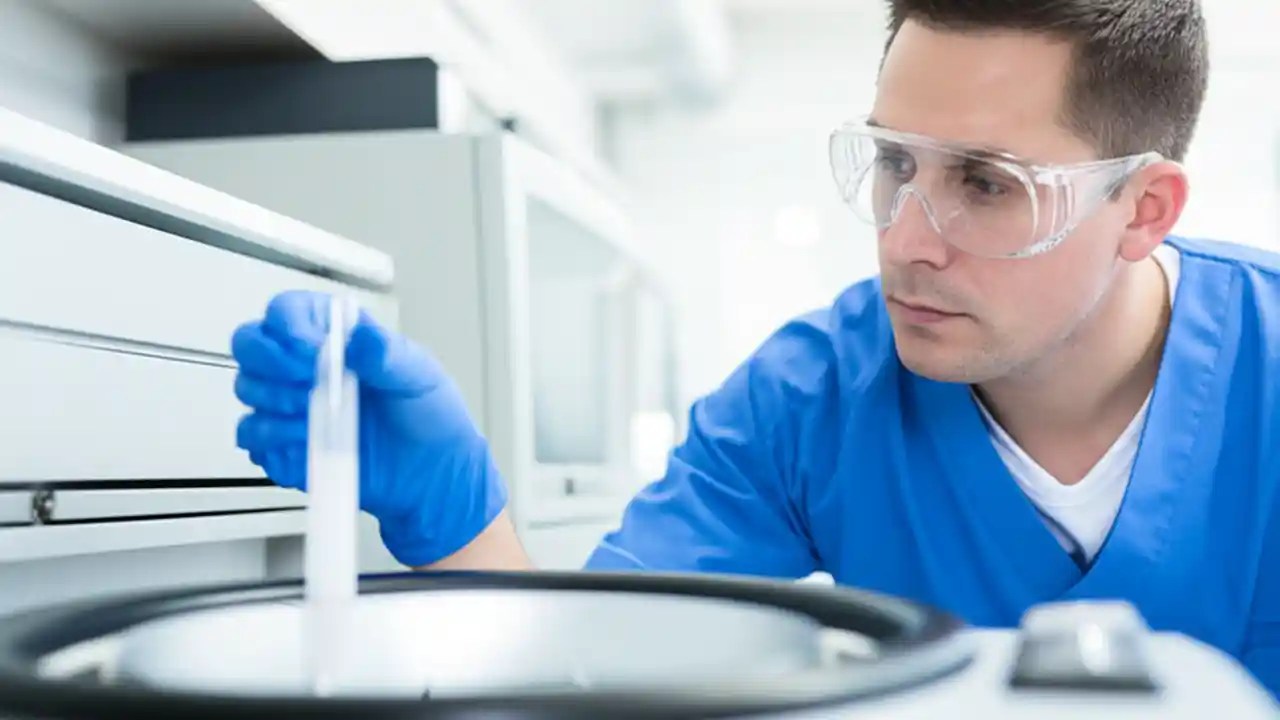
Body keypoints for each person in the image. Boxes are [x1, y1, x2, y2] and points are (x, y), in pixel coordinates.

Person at [231, 0, 1280, 696]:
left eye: (985, 184)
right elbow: (590, 677)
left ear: (1142, 209)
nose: (904, 241)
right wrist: (460, 524)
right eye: (890, 164)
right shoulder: (809, 398)